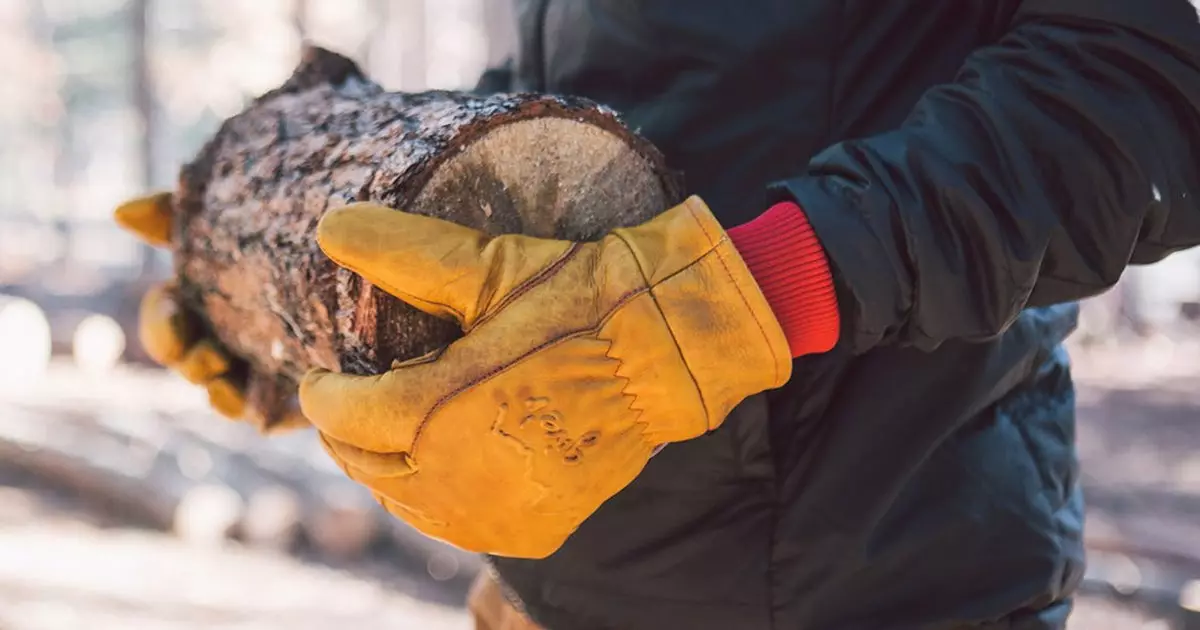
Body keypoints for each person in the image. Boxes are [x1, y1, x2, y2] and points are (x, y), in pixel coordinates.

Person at [115, 2, 1200, 628]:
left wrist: (749, 298)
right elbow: (633, 94)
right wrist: (325, 280)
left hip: (878, 585)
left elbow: (1147, 87)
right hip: (573, 586)